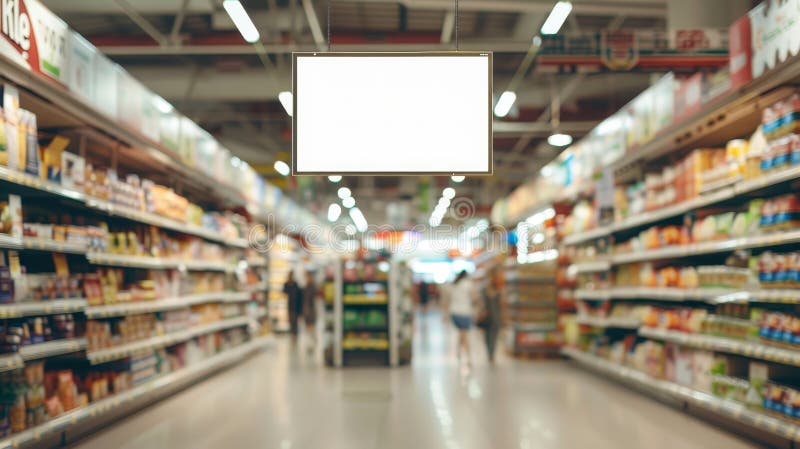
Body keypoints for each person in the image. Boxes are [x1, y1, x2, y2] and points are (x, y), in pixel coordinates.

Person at [447, 270, 476, 366]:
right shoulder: (468, 284)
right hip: (464, 312)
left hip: (454, 312)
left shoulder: (455, 284)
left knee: (461, 333)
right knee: (465, 335)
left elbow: (449, 298)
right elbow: (474, 297)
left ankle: (458, 352)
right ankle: (468, 357)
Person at [479, 266, 503, 364]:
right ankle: (490, 354)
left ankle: (491, 353)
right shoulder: (492, 287)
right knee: (490, 336)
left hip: (492, 315)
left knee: (490, 336)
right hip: (491, 315)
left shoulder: (494, 286)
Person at [301, 271, 318, 353]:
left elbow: (314, 300)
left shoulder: (313, 287)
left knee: (311, 327)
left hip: (311, 310)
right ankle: (310, 343)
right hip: (306, 310)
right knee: (308, 328)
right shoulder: (305, 287)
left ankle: (311, 343)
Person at [283, 271, 302, 339]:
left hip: (295, 305)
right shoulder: (287, 284)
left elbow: (299, 295)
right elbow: (284, 291)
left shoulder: (295, 284)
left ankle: (295, 333)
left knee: (295, 320)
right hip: (290, 305)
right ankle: (292, 333)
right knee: (291, 319)